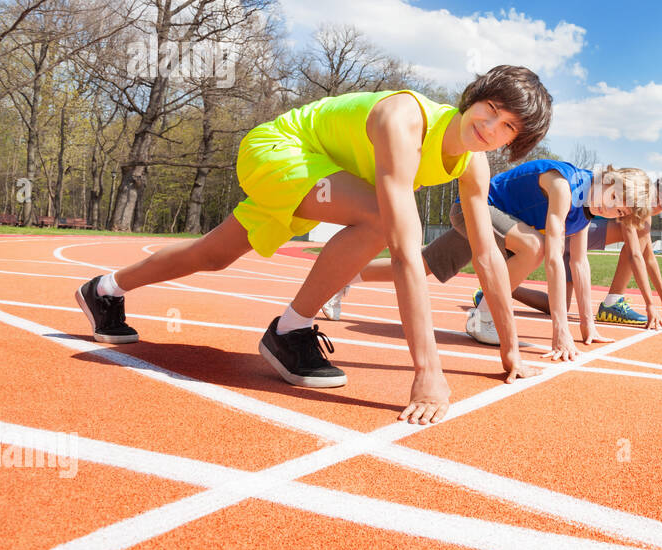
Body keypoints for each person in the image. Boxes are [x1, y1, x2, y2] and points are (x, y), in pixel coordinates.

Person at [74, 65, 552, 424]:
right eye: (490, 109)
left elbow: (488, 255)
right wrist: (428, 371)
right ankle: (290, 329)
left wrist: (510, 352)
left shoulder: (472, 164)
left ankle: (106, 289)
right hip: (282, 151)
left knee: (213, 255)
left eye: (508, 126)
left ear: (515, 140)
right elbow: (407, 253)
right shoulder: (405, 119)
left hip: (326, 178)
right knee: (380, 218)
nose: (491, 126)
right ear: (473, 99)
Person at [334, 161, 653, 362]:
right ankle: (483, 317)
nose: (612, 211)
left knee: (420, 266)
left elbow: (579, 266)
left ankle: (340, 278)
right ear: (610, 178)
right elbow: (554, 260)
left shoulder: (585, 215)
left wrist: (586, 326)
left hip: (500, 226)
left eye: (620, 213)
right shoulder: (564, 185)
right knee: (534, 245)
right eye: (615, 200)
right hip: (473, 210)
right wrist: (560, 331)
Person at [497, 173, 662, 329]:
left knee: (557, 304)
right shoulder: (630, 205)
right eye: (656, 199)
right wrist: (650, 304)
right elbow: (634, 254)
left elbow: (649, 259)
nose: (657, 206)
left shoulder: (645, 218)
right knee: (635, 244)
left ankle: (500, 289)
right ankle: (613, 302)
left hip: (571, 242)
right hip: (571, 234)